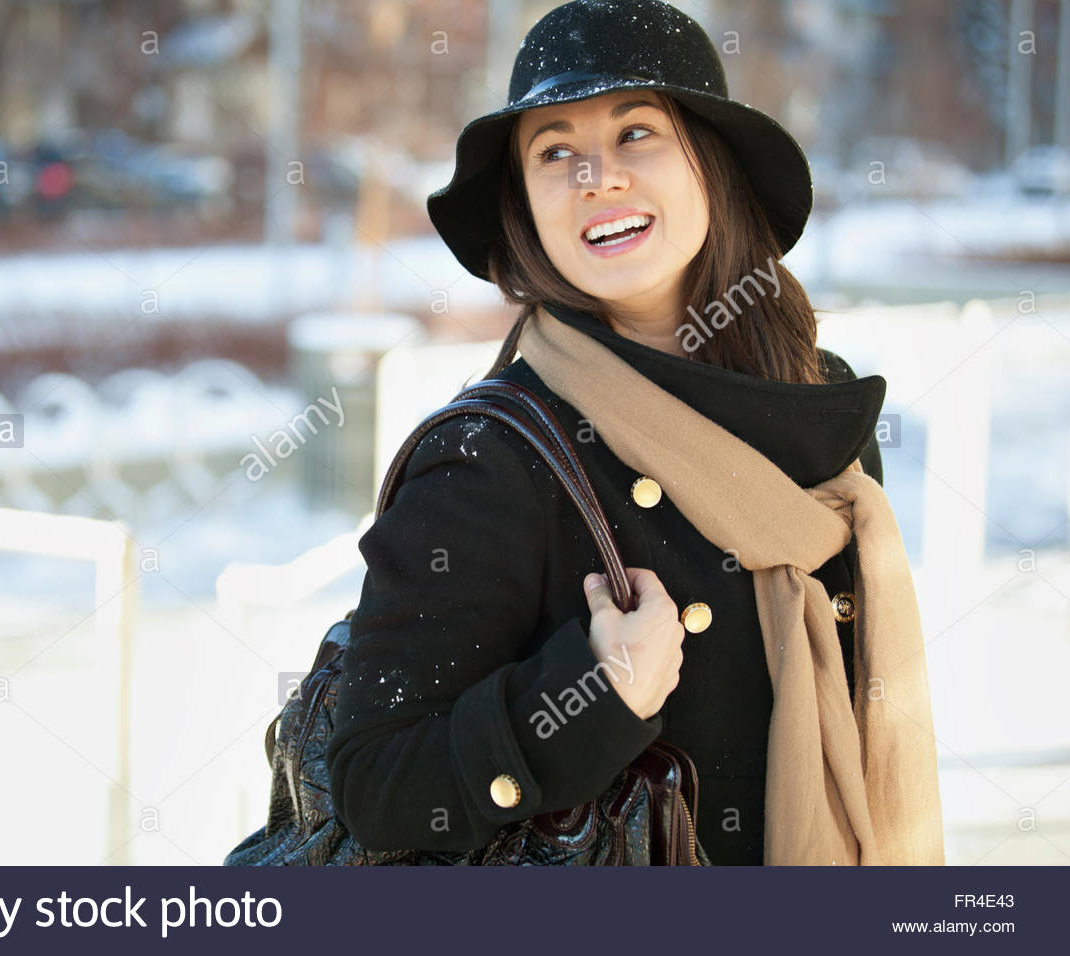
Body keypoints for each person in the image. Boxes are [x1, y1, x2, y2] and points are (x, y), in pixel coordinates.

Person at [327, 0, 945, 866]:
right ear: (525, 205)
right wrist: (594, 693)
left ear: (712, 164)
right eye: (554, 151)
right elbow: (376, 788)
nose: (597, 177)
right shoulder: (491, 458)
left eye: (637, 133)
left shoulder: (817, 402)